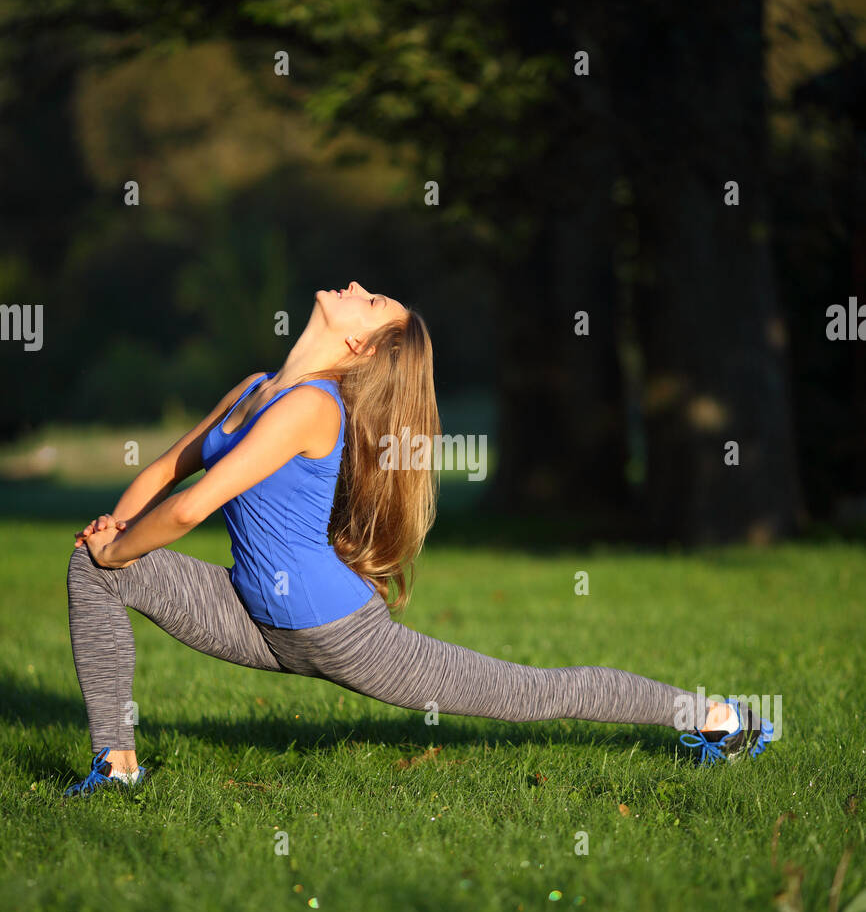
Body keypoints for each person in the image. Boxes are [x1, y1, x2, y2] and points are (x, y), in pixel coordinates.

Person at [65, 282, 773, 796]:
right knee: (92, 570)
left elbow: (191, 510)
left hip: (341, 631)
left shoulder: (311, 407)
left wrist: (120, 546)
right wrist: (114, 533)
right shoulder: (256, 389)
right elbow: (164, 471)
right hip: (252, 617)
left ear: (356, 345)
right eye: (372, 294)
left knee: (529, 693)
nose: (357, 288)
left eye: (372, 302)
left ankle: (720, 718)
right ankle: (118, 769)